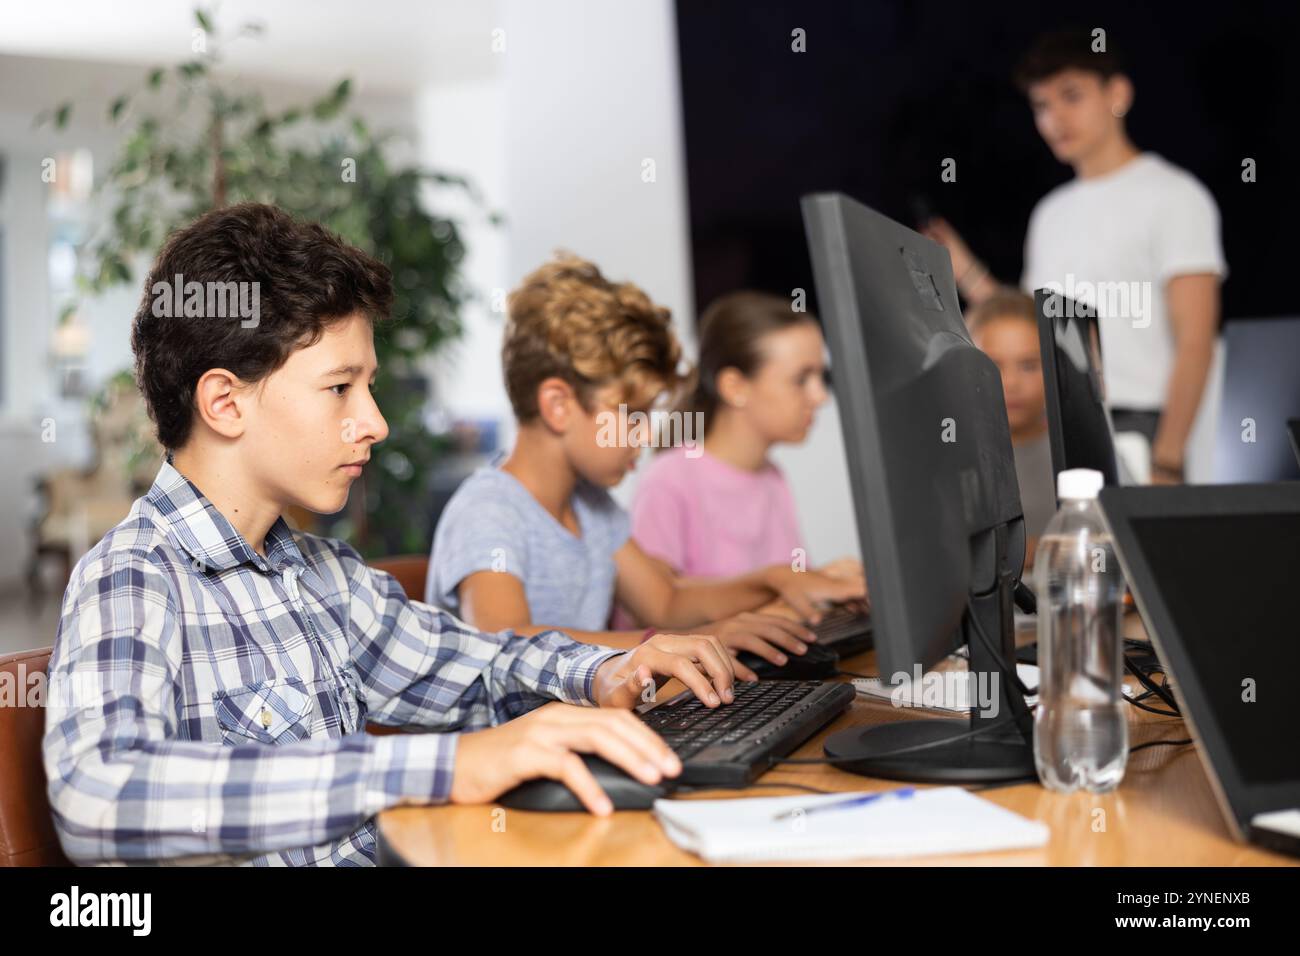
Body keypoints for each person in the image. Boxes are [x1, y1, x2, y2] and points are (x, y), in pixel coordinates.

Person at [44, 204, 741, 866]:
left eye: (368, 387)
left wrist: (606, 671)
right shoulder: (134, 576)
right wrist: (446, 765)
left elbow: (475, 666)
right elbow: (100, 794)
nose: (374, 423)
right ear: (225, 402)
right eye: (340, 388)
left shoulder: (322, 574)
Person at [426, 255, 864, 677]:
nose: (647, 434)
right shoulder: (488, 511)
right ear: (558, 405)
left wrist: (775, 580)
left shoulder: (592, 508)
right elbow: (507, 641)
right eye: (631, 413)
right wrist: (667, 642)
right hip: (512, 747)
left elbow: (666, 601)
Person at [923, 28, 1226, 485]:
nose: (1055, 119)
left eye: (1071, 96)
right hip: (1058, 433)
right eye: (1041, 105)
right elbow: (1034, 324)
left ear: (1117, 93)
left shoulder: (1175, 196)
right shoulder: (1050, 213)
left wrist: (1166, 459)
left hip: (1141, 431)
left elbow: (1196, 341)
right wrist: (964, 269)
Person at [628, 290, 863, 584]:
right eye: (801, 379)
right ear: (735, 387)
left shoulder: (772, 478)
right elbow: (654, 605)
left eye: (821, 377)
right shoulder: (670, 478)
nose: (820, 397)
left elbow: (788, 590)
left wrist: (823, 581)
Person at [967, 291, 1056, 570]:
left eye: (1029, 366)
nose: (1012, 383)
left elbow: (1121, 546)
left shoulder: (1085, 452)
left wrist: (1042, 552)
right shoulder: (950, 453)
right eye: (994, 365)